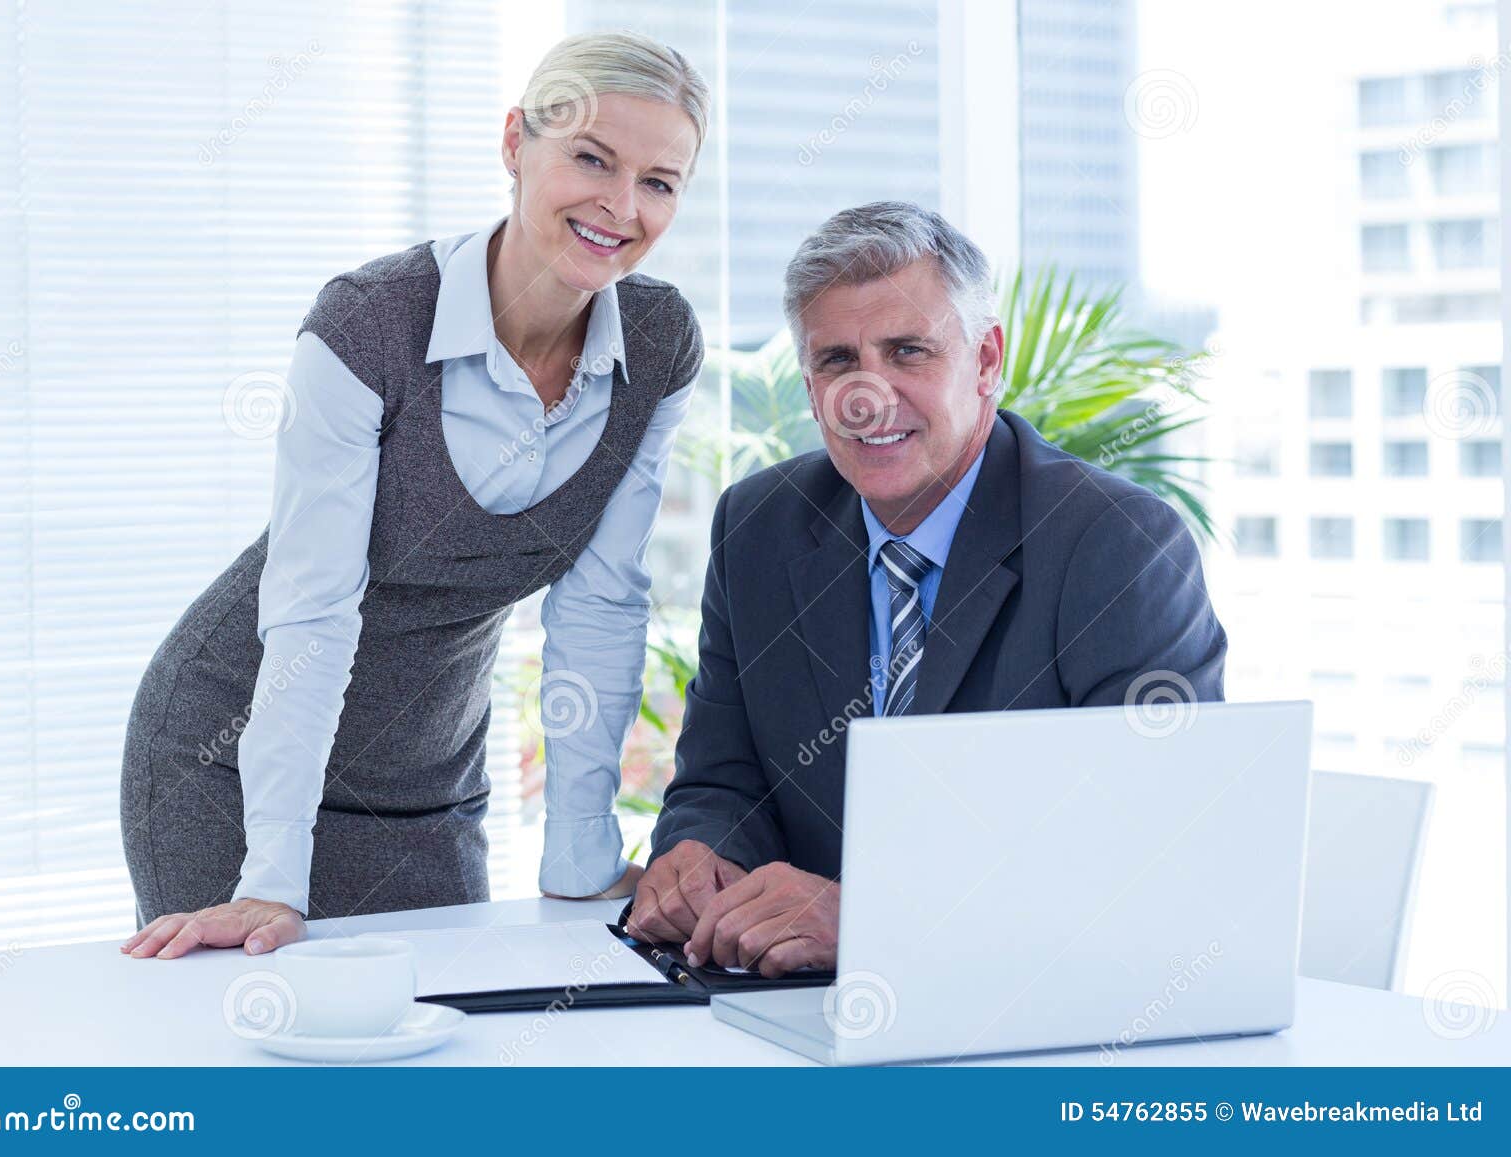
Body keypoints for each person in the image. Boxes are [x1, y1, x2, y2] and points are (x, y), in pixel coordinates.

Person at [119, 31, 709, 960]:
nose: (621, 205)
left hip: (429, 778)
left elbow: (600, 604)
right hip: (232, 761)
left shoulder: (660, 342)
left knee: (451, 1061)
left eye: (660, 182)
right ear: (516, 143)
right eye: (591, 159)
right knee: (274, 1061)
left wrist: (581, 855)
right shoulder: (370, 325)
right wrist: (271, 879)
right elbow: (313, 612)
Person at [626, 201, 1228, 976]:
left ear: (985, 362)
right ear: (810, 386)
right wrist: (698, 853)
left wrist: (884, 920)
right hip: (792, 1010)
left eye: (907, 351)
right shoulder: (759, 527)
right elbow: (722, 775)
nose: (867, 396)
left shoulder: (1117, 545)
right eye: (839, 360)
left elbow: (1154, 842)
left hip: (1035, 1018)